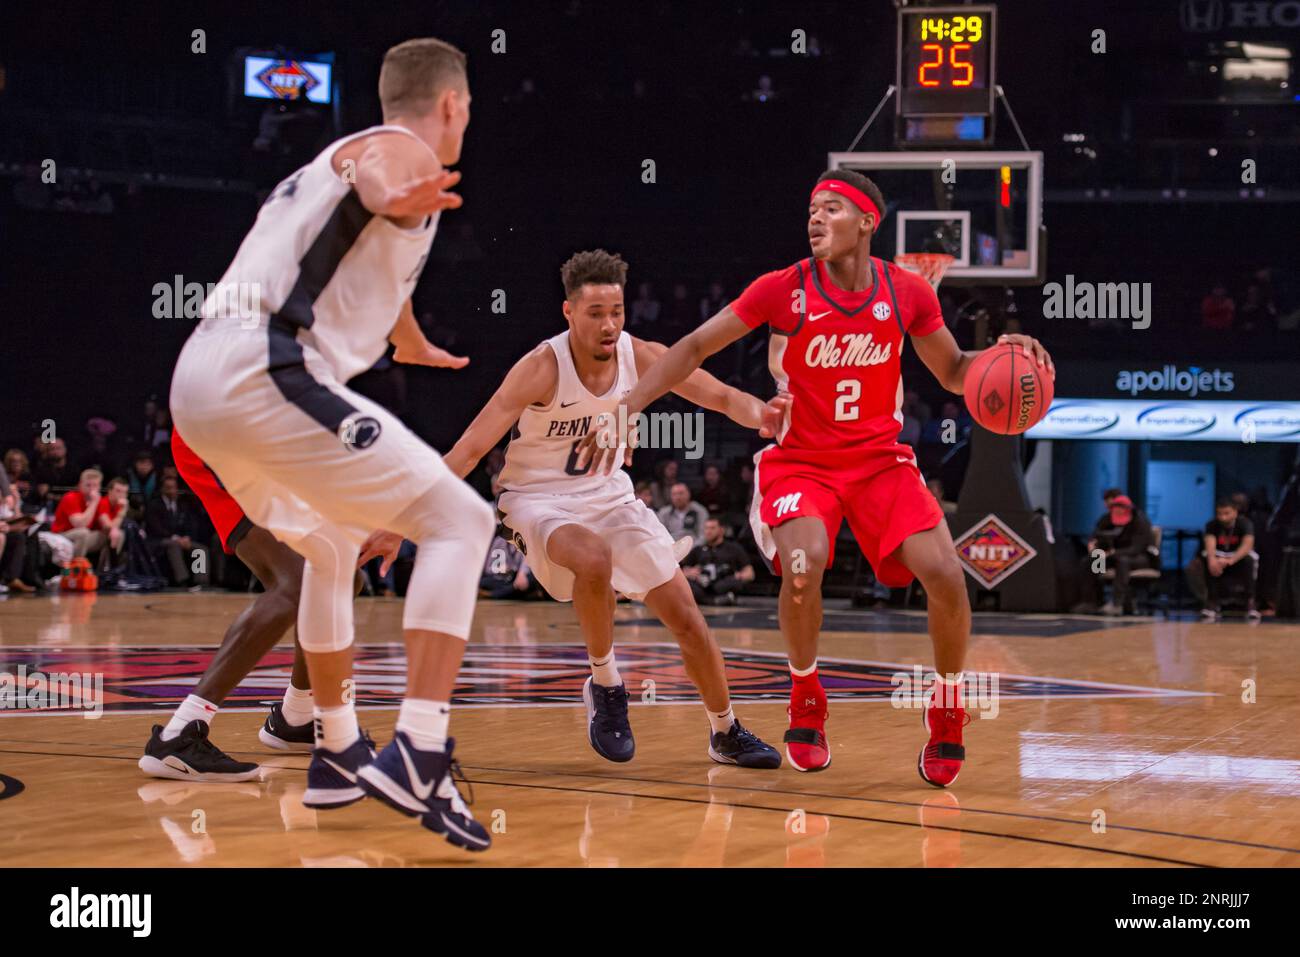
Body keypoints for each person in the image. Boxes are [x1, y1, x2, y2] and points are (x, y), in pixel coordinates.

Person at [579, 168, 1055, 785]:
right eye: (811, 208)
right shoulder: (784, 288)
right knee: (805, 565)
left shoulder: (907, 291)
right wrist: (626, 407)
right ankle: (806, 693)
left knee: (944, 572)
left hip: (880, 461)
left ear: (866, 223)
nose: (814, 218)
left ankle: (946, 703)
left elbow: (955, 371)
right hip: (802, 459)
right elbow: (694, 347)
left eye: (830, 208)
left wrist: (1002, 354)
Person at [167, 37, 494, 850]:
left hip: (202, 383)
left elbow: (375, 254)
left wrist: (408, 337)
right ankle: (419, 747)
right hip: (263, 368)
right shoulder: (400, 151)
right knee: (463, 523)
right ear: (451, 104)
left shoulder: (322, 162)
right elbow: (380, 177)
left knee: (329, 546)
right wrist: (393, 188)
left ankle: (339, 749)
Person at [442, 248, 780, 769]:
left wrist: (767, 416)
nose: (608, 324)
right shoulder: (540, 367)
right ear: (568, 312)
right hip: (534, 500)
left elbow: (720, 396)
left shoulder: (639, 355)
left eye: (617, 311)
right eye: (595, 313)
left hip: (608, 496)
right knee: (593, 557)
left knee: (687, 617)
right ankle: (606, 684)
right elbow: (468, 449)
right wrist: (406, 512)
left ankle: (725, 730)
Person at [1083, 494, 1155, 615]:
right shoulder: (1107, 519)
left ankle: (1117, 604)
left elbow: (1136, 548)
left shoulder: (1140, 521)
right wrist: (1094, 545)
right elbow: (1096, 535)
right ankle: (1094, 602)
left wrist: (1112, 553)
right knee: (1092, 561)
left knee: (1123, 561)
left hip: (1140, 558)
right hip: (1112, 556)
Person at [1201, 497, 1259, 621]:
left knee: (1250, 560)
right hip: (1219, 557)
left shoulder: (1245, 523)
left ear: (1235, 512)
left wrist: (1231, 560)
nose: (1223, 517)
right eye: (1219, 514)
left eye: (1226, 513)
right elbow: (1210, 542)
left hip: (1238, 557)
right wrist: (1212, 560)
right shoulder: (1211, 524)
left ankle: (1250, 603)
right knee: (1207, 558)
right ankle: (1212, 603)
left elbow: (1247, 544)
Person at [144, 474, 205, 585]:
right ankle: (182, 580)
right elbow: (156, 528)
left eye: (174, 488)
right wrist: (176, 538)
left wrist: (187, 537)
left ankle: (201, 581)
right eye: (168, 488)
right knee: (174, 545)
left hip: (181, 539)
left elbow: (190, 524)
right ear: (162, 489)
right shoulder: (154, 505)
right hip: (159, 540)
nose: (172, 491)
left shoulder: (182, 505)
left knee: (200, 549)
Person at [682, 517, 755, 606]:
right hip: (702, 585)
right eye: (706, 528)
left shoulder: (734, 548)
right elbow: (682, 571)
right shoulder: (698, 550)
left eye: (712, 528)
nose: (708, 532)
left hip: (723, 583)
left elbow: (750, 573)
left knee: (732, 583)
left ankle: (708, 600)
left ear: (721, 530)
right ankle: (715, 600)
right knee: (688, 585)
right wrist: (690, 573)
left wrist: (739, 575)